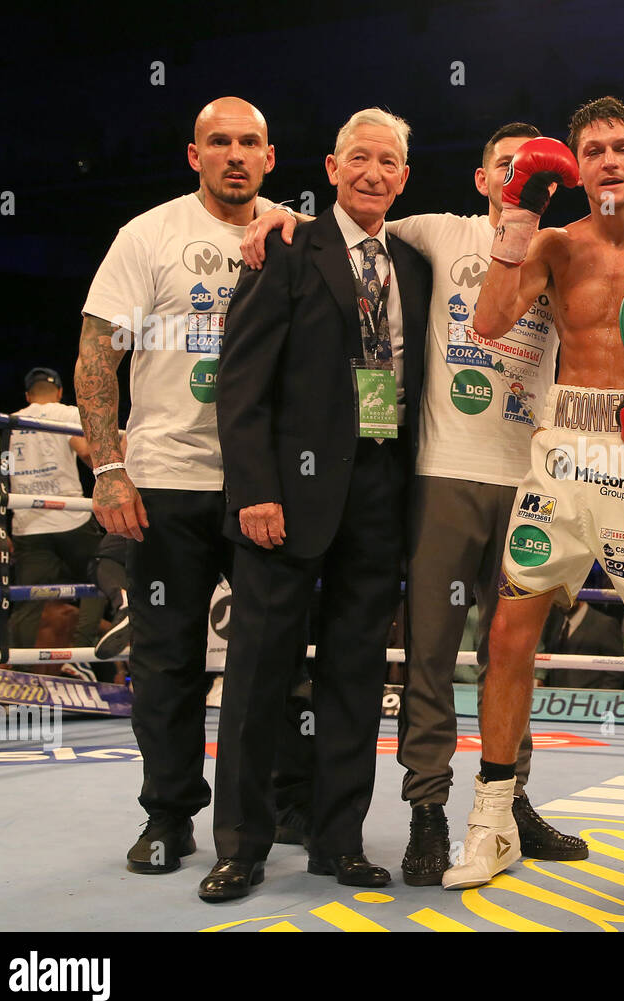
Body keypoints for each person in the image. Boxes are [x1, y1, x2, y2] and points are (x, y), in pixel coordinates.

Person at [239, 122, 585, 887]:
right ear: (482, 177)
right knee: (428, 655)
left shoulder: (563, 250)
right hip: (441, 473)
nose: (520, 180)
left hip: (533, 477)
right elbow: (348, 221)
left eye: (534, 171)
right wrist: (276, 215)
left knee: (515, 655)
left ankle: (510, 801)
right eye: (507, 167)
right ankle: (427, 809)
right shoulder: (436, 231)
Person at [441, 96, 624, 898]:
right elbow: (494, 321)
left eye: (620, 147)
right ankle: (491, 823)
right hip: (563, 442)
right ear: (574, 167)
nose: (607, 160)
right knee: (507, 635)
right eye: (592, 149)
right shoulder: (554, 242)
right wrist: (516, 210)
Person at [198, 108, 429, 902]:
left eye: (388, 161)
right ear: (331, 168)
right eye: (358, 158)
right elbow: (242, 380)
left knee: (357, 677)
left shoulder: (415, 263)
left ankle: (339, 839)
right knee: (259, 672)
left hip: (379, 489)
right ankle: (242, 844)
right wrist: (254, 488)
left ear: (404, 176)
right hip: (286, 496)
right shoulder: (289, 246)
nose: (372, 172)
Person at [75, 97, 308, 876]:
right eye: (220, 143)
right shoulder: (148, 235)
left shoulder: (293, 235)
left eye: (250, 143)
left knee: (273, 656)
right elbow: (96, 356)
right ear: (194, 154)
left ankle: (284, 805)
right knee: (169, 660)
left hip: (263, 485)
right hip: (166, 482)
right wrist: (109, 468)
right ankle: (168, 816)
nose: (235, 155)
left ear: (270, 157)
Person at [0, 368, 105, 653]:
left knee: (29, 602)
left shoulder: (4, 425)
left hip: (29, 525)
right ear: (59, 391)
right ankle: (82, 652)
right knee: (101, 578)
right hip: (72, 519)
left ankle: (16, 670)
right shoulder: (66, 414)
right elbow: (87, 453)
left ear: (28, 395)